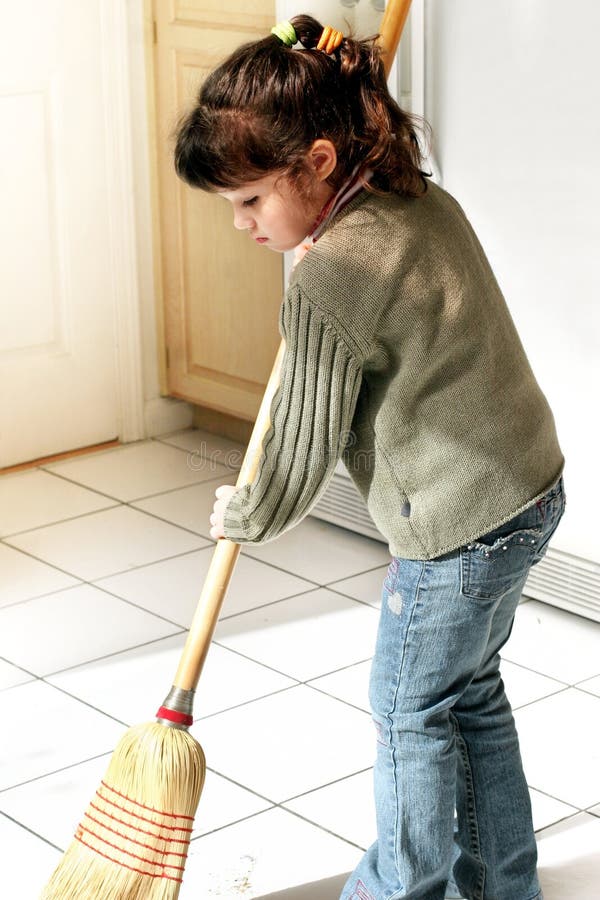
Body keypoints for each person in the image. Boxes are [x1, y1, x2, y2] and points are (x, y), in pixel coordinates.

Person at [174, 15, 564, 900]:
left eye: (250, 201)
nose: (241, 226)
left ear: (315, 163)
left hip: (457, 528)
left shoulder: (329, 276)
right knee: (468, 697)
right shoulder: (412, 197)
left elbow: (301, 443)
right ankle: (507, 888)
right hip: (529, 490)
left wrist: (250, 511)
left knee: (406, 711)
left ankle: (399, 891)